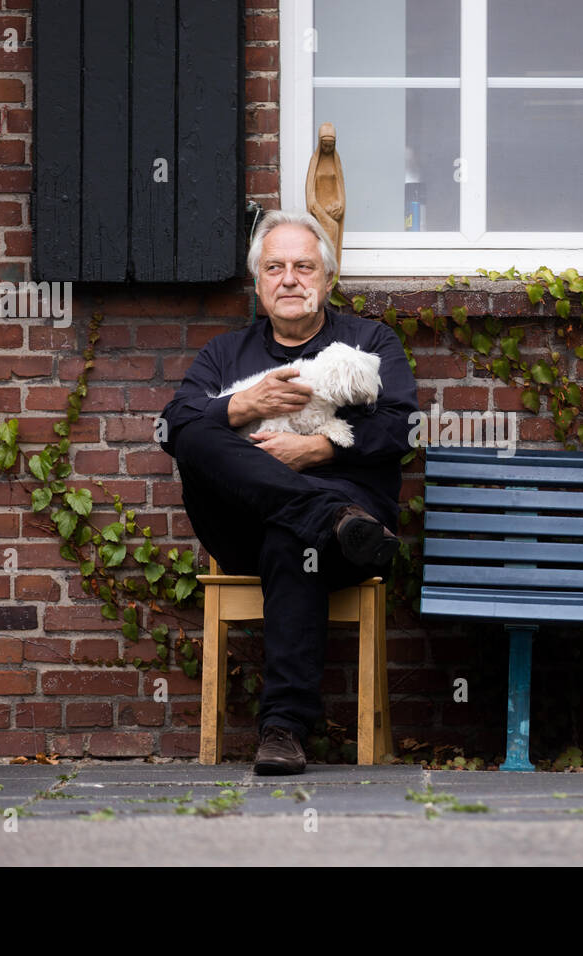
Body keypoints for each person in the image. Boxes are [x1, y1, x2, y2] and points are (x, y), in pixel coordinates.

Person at [159, 209, 418, 775]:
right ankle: (318, 510)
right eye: (274, 267)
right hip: (254, 522)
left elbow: (404, 427)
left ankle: (282, 730)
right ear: (258, 284)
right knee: (194, 428)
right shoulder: (225, 354)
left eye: (304, 266)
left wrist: (322, 450)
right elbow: (173, 426)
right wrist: (244, 406)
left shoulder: (369, 341)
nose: (289, 279)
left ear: (328, 278)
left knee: (289, 539)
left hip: (347, 536)